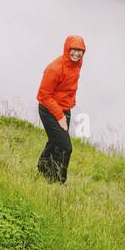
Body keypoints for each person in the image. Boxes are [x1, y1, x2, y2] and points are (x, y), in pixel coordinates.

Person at [36, 35, 86, 184]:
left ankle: (43, 168)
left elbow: (69, 85)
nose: (76, 54)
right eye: (74, 50)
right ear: (67, 49)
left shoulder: (76, 64)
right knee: (66, 147)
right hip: (48, 109)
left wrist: (71, 101)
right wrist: (60, 116)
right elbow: (43, 96)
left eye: (80, 51)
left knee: (55, 142)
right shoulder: (55, 68)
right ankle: (59, 181)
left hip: (64, 108)